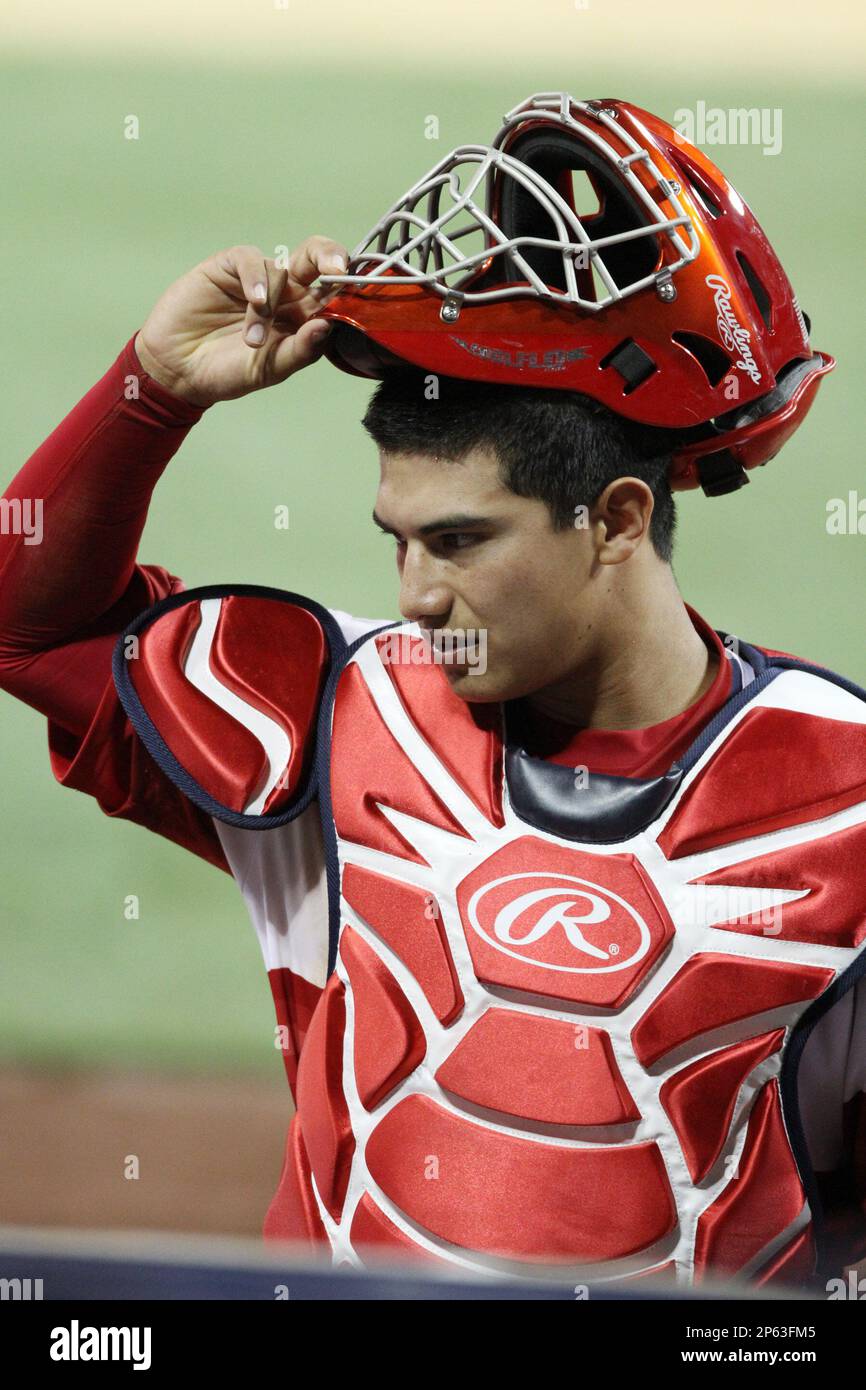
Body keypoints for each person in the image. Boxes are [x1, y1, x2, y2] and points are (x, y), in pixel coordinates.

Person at [1, 93, 864, 1292]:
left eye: (458, 542)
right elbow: (26, 622)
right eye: (395, 539)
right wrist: (154, 386)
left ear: (612, 519)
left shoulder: (841, 796)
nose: (412, 595)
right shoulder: (319, 718)